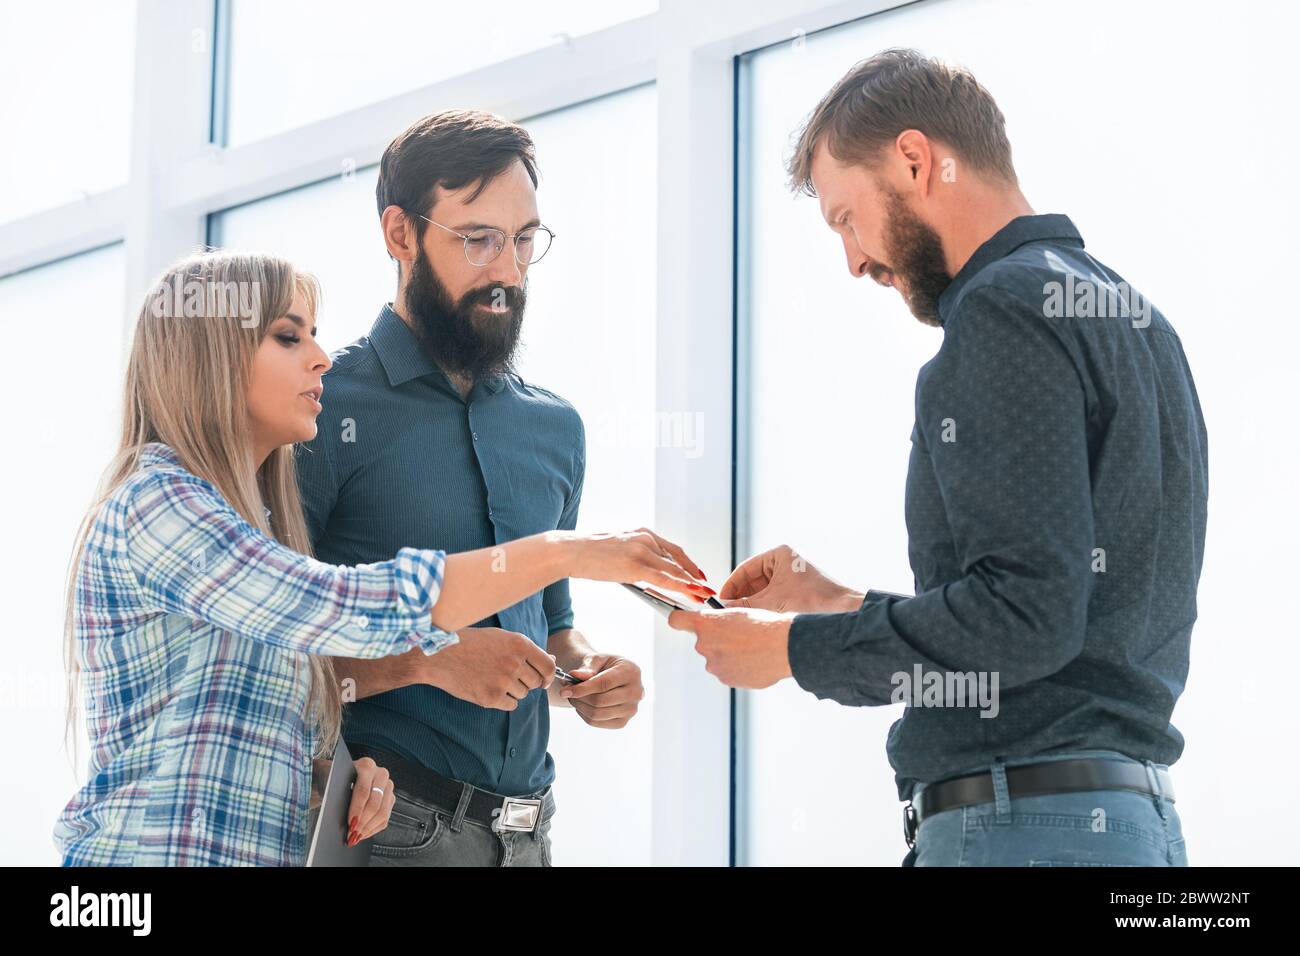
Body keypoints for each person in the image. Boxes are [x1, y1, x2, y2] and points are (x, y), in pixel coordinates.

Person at [669, 48, 1205, 867]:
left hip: (1021, 825)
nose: (853, 261)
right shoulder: (1135, 318)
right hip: (1127, 827)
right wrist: (837, 604)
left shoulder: (1002, 311)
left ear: (915, 161)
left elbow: (1026, 619)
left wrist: (787, 651)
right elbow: (1059, 612)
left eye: (846, 218)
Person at [55, 249, 709, 866]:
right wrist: (568, 551)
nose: (320, 359)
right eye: (289, 337)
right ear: (210, 357)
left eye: (314, 334)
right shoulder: (156, 501)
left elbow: (274, 699)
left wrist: (335, 775)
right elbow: (337, 605)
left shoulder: (241, 524)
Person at [295, 109, 718, 867]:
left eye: (525, 240)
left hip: (530, 835)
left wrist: (585, 674)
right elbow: (266, 658)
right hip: (385, 832)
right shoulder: (324, 408)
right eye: (478, 239)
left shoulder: (556, 430)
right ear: (400, 235)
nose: (509, 271)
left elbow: (553, 622)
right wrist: (428, 660)